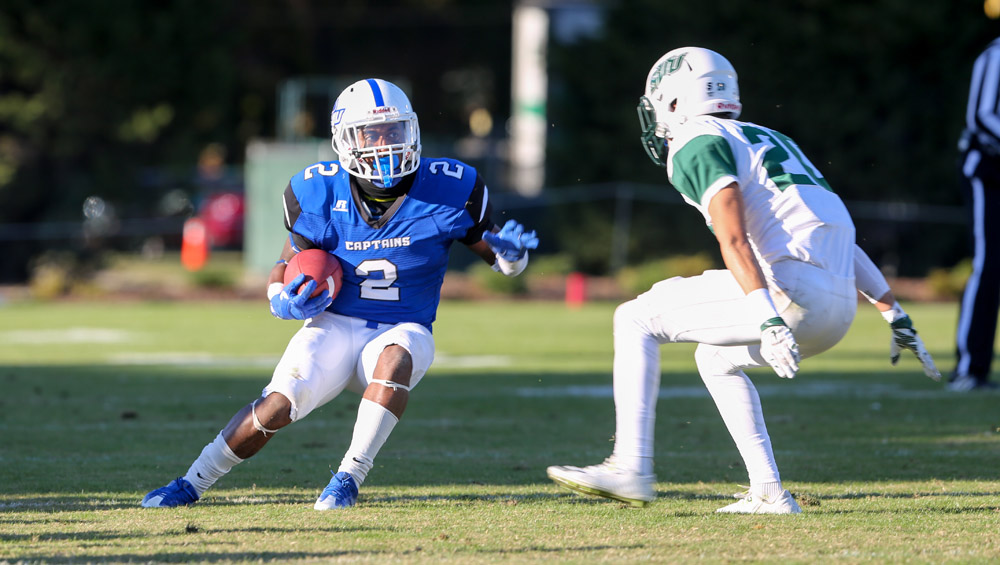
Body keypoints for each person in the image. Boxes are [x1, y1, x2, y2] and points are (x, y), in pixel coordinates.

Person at [546, 47, 939, 514]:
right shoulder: (773, 140)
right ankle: (769, 492)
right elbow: (833, 232)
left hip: (790, 296)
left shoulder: (696, 139)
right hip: (838, 308)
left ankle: (630, 467)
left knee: (633, 319)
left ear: (673, 103)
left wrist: (768, 317)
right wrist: (893, 310)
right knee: (715, 360)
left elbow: (733, 240)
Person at [141, 78, 539, 510]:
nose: (386, 144)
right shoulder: (317, 192)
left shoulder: (449, 189)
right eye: (372, 134)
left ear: (413, 130)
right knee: (277, 406)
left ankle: (347, 478)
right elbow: (289, 258)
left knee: (396, 355)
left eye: (395, 131)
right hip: (334, 324)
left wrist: (513, 257)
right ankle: (191, 483)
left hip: (404, 327)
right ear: (346, 140)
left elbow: (500, 259)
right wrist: (281, 298)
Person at [950, 38, 1000, 392]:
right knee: (989, 262)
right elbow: (981, 115)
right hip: (989, 172)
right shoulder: (996, 55)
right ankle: (971, 367)